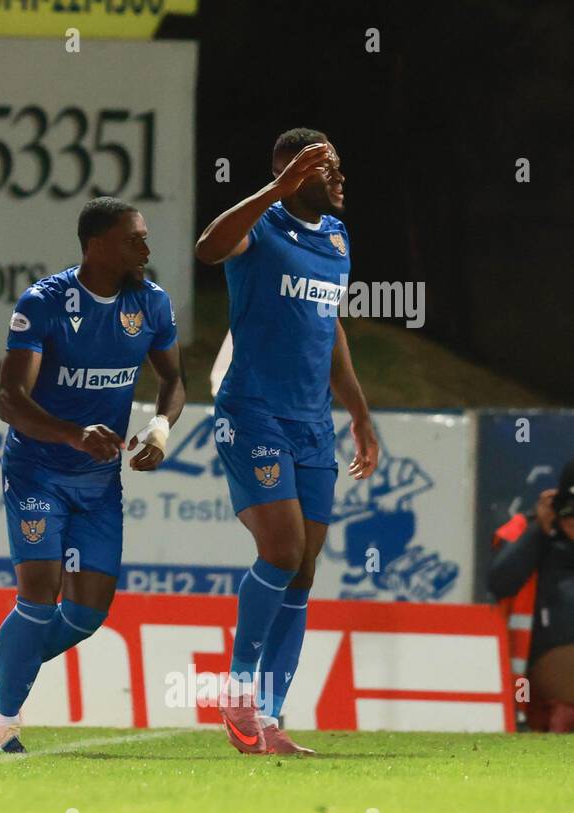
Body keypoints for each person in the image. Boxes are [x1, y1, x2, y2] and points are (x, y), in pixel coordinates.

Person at [195, 128, 378, 756]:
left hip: (311, 421)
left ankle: (267, 718)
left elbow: (330, 330)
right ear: (295, 177)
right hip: (253, 413)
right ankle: (238, 690)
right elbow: (207, 248)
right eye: (329, 172)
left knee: (302, 570)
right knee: (282, 549)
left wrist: (359, 412)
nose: (341, 180)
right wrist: (277, 189)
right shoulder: (263, 226)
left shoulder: (336, 237)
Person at [0, 196, 185, 754]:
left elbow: (173, 381)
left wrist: (161, 429)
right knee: (39, 598)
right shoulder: (44, 303)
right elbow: (8, 399)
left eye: (144, 237)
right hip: (38, 472)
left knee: (88, 614)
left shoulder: (151, 303)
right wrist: (72, 434)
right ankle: (5, 725)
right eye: (133, 239)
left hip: (99, 482)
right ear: (96, 245)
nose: (146, 248)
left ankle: (4, 657)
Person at [489, 459, 574, 732]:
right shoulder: (530, 531)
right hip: (544, 666)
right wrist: (540, 528)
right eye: (570, 513)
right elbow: (501, 582)